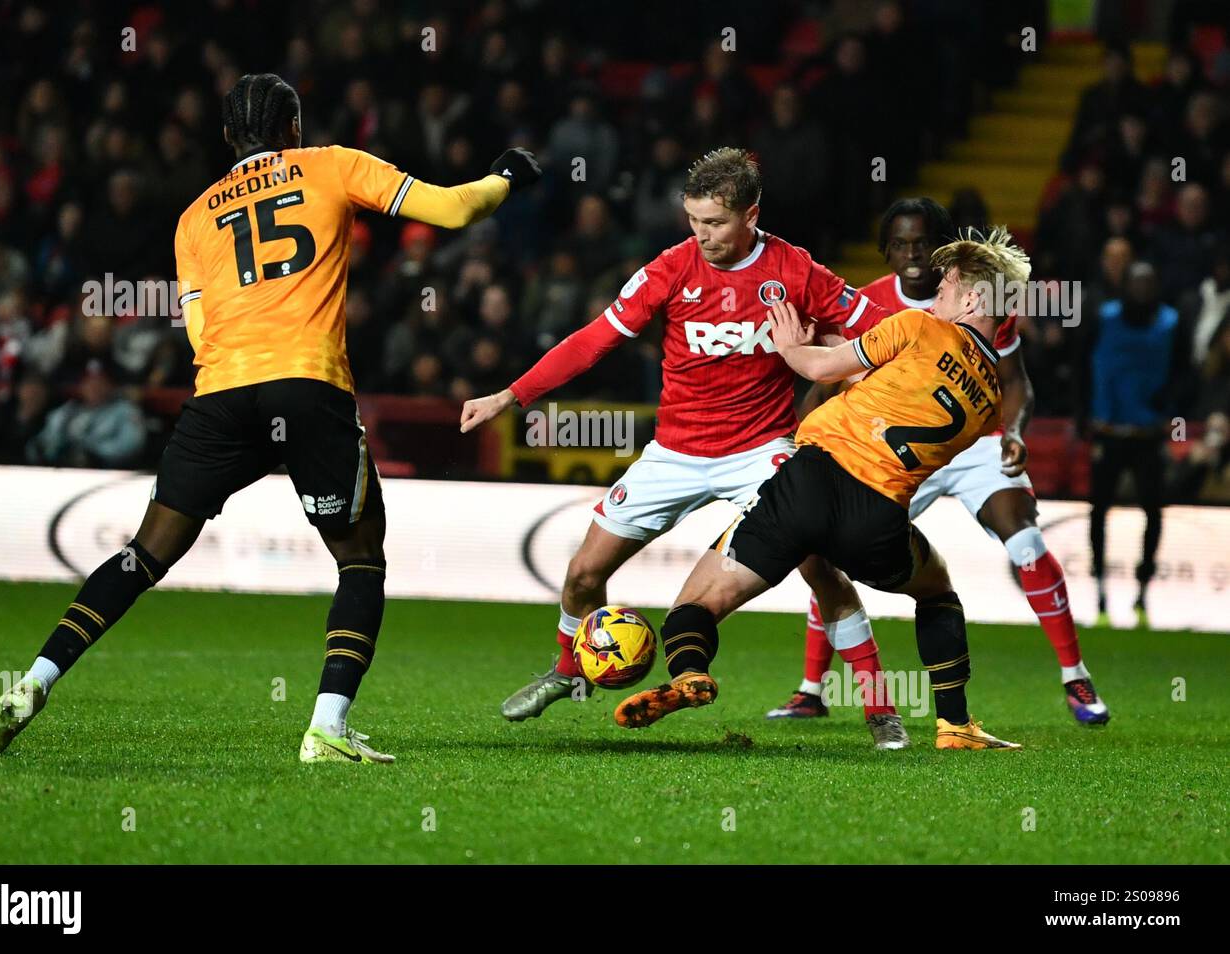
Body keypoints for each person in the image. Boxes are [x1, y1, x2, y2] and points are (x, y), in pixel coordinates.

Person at [0, 72, 541, 763]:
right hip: (307, 382)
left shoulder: (194, 216)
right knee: (359, 560)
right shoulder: (331, 165)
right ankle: (326, 728)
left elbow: (199, 330)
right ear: (291, 129)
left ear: (227, 138)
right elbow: (451, 210)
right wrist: (507, 177)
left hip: (222, 391)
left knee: (141, 554)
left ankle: (31, 682)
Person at [461, 147, 911, 750]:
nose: (702, 235)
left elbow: (885, 332)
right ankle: (570, 671)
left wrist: (849, 368)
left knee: (821, 567)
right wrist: (510, 395)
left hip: (761, 450)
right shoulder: (670, 269)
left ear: (751, 214)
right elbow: (593, 340)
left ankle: (881, 708)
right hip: (673, 452)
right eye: (693, 220)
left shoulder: (797, 272)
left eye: (716, 223)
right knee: (582, 574)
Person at [616, 228, 1031, 751]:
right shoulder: (991, 397)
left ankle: (690, 673)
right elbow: (901, 396)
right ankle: (955, 725)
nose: (937, 293)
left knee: (696, 606)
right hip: (876, 518)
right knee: (938, 588)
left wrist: (793, 344)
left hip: (807, 484)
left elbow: (818, 368)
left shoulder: (917, 326)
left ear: (973, 298)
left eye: (947, 285)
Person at [777, 199, 1109, 726]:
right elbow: (828, 377)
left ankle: (1075, 675)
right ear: (886, 250)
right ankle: (812, 688)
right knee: (830, 546)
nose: (913, 254)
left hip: (975, 435)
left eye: (923, 243)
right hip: (893, 443)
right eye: (901, 243)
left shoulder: (984, 298)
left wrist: (1015, 431)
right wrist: (800, 441)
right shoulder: (868, 302)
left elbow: (1015, 380)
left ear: (941, 250)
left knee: (1024, 540)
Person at [1081, 261, 1190, 627]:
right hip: (1109, 434)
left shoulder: (1172, 324)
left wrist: (1175, 431)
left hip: (1149, 436)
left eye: (1149, 283)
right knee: (1099, 510)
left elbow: (1183, 378)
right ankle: (1098, 587)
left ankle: (1144, 587)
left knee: (1154, 511)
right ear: (1124, 286)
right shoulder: (1103, 318)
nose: (1142, 290)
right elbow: (1082, 364)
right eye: (1136, 282)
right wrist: (1083, 420)